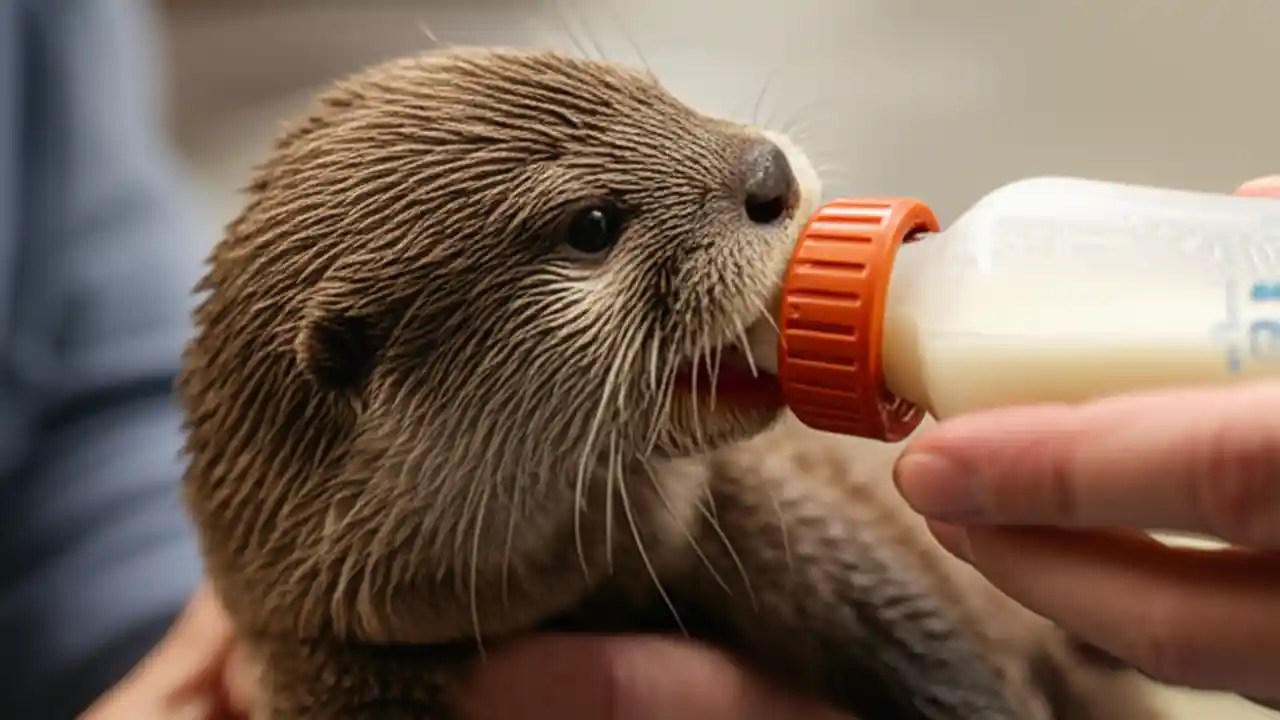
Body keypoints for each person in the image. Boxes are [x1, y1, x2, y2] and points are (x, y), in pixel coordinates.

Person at [16, 0, 1279, 716]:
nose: (765, 172)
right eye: (591, 231)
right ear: (368, 373)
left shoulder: (693, 497)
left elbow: (80, 395)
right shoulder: (328, 652)